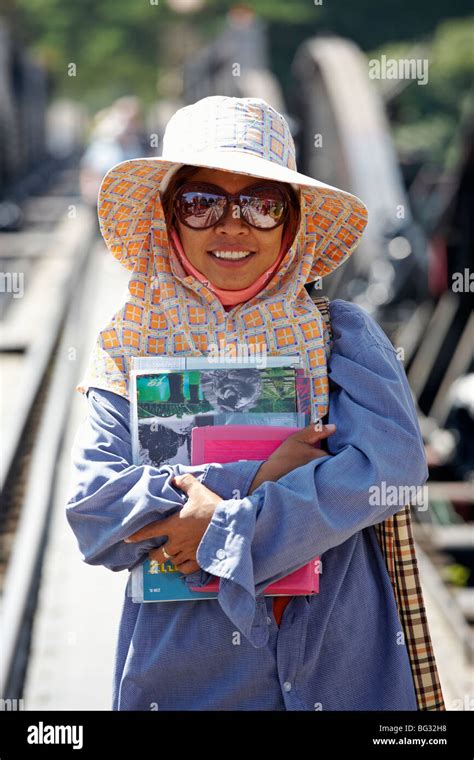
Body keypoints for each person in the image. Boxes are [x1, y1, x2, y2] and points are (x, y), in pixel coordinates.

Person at [66, 96, 444, 711]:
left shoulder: (339, 335)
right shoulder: (129, 346)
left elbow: (391, 470)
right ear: (169, 219)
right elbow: (100, 514)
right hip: (187, 676)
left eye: (262, 205)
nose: (232, 225)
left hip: (337, 661)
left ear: (292, 225)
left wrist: (219, 522)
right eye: (201, 202)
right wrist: (262, 477)